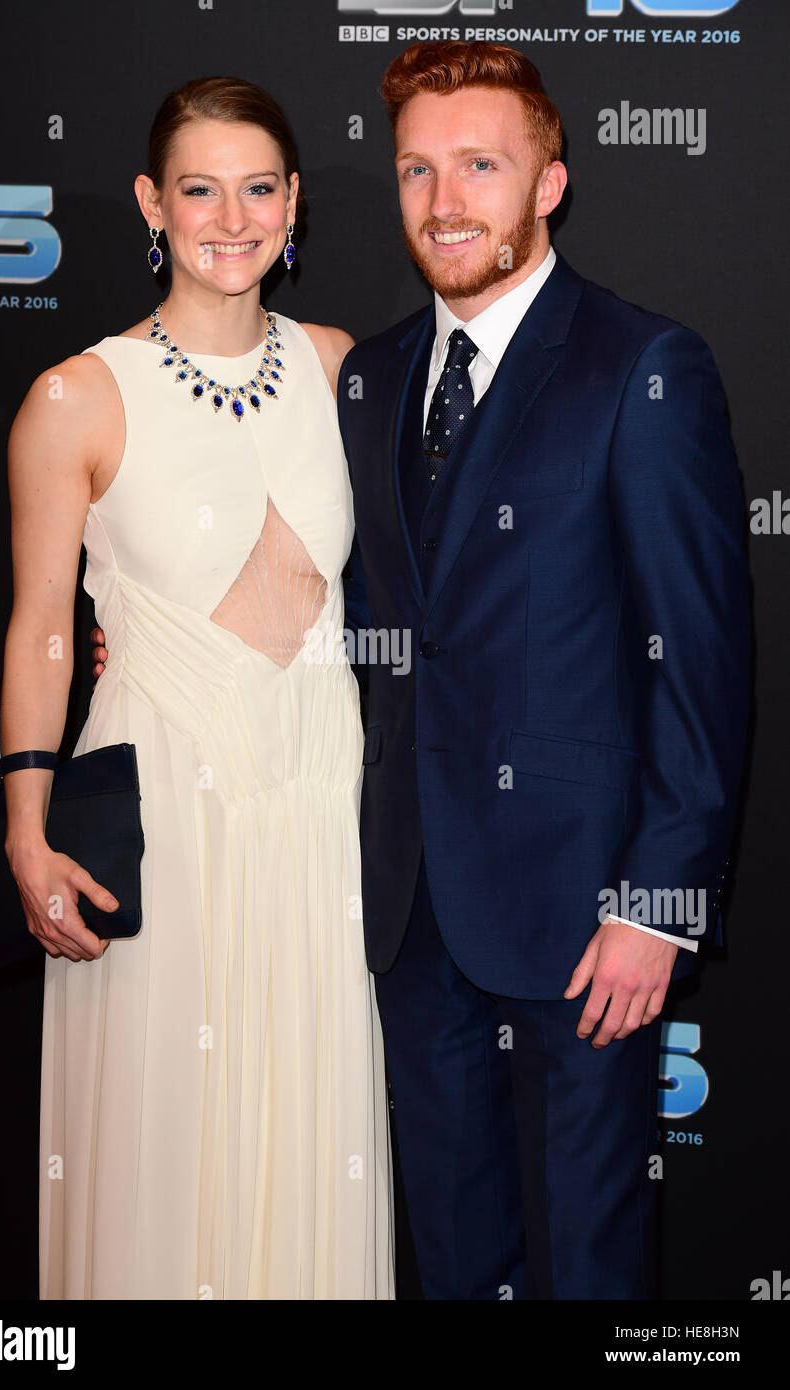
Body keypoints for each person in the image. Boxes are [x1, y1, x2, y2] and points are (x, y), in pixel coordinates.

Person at [334, 41, 750, 1299]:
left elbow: (703, 664)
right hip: (410, 902)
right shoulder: (370, 376)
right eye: (416, 168)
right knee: (454, 1257)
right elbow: (358, 621)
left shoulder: (640, 363)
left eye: (478, 165)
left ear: (549, 182)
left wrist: (654, 907)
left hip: (585, 911)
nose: (442, 200)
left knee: (587, 1258)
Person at [0, 75, 393, 1300]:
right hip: (164, 795)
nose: (233, 218)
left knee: (308, 1114)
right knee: (166, 1129)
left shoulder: (343, 370)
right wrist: (25, 828)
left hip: (321, 798)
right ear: (149, 205)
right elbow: (40, 630)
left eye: (260, 187)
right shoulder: (77, 395)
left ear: (294, 206)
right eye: (199, 189)